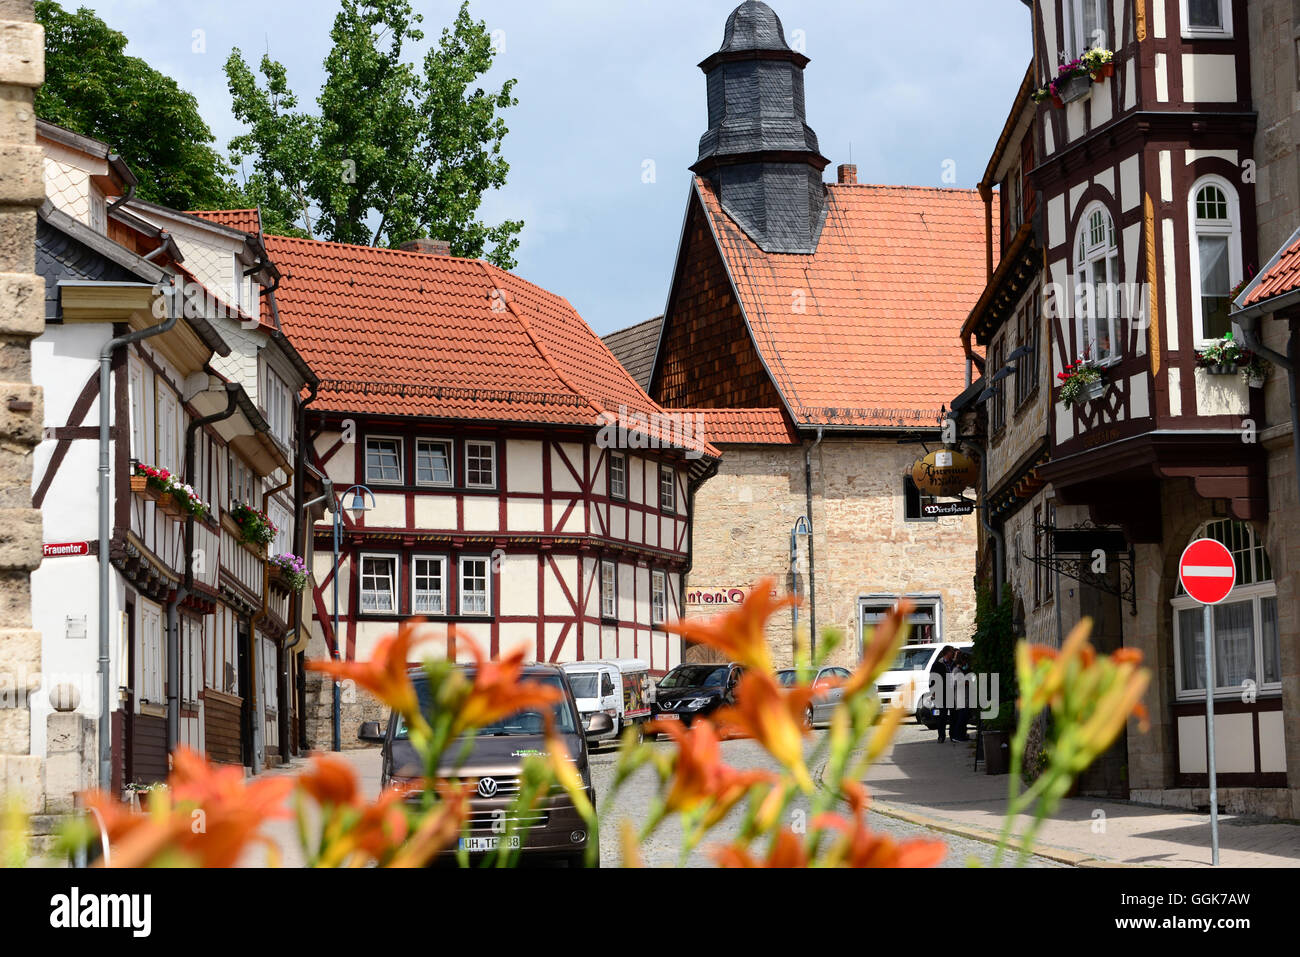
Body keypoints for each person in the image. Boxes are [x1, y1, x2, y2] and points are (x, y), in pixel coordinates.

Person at [929, 647, 956, 743]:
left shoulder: (954, 663)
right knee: (942, 716)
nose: (953, 653)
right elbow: (932, 678)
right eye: (951, 652)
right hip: (942, 692)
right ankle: (941, 736)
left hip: (953, 692)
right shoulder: (938, 664)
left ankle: (953, 735)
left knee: (953, 715)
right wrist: (933, 691)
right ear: (947, 653)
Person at [950, 651, 972, 742]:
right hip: (960, 698)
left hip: (964, 697)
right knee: (961, 718)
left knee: (964, 718)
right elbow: (958, 683)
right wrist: (967, 682)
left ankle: (962, 735)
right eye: (964, 661)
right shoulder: (956, 670)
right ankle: (957, 736)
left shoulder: (960, 670)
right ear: (962, 661)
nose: (965, 663)